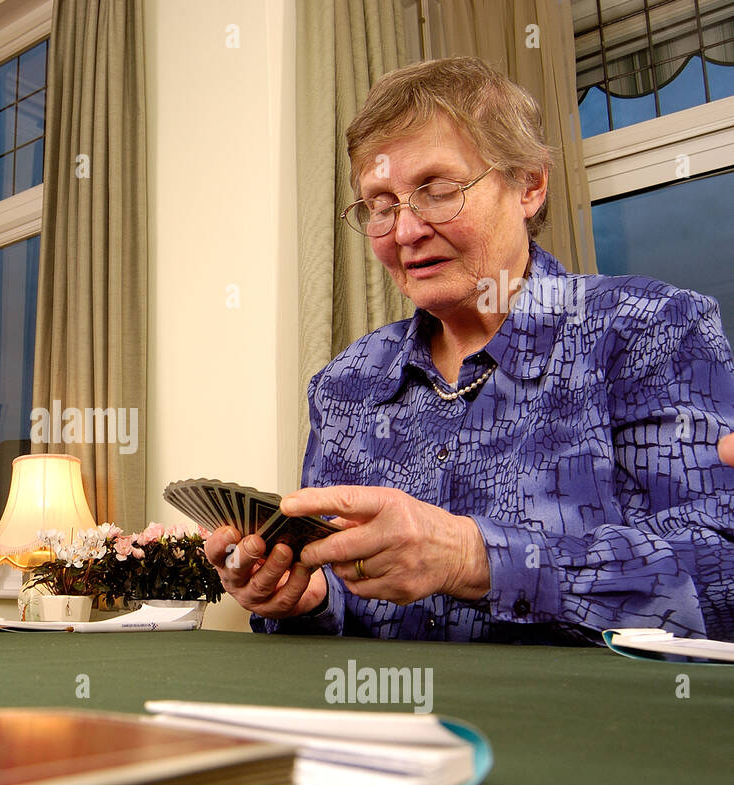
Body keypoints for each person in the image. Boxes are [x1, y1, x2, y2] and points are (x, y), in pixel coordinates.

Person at [207, 57, 734, 643]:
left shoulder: (651, 331)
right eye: (381, 205)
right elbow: (345, 603)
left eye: (437, 191)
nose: (404, 232)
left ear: (529, 184)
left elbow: (718, 578)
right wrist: (308, 600)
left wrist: (472, 558)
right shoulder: (345, 385)